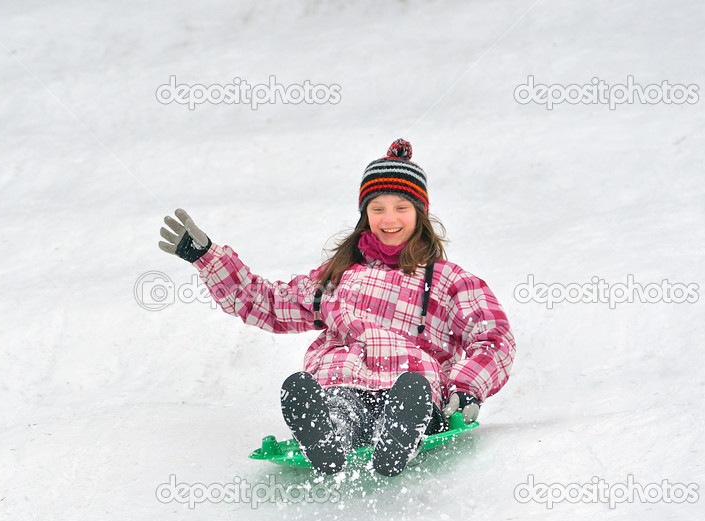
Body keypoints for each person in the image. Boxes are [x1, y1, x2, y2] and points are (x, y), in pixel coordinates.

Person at [158, 139, 515, 477]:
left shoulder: (448, 279)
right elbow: (265, 301)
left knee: (408, 395)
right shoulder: (338, 278)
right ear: (365, 215)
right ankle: (328, 433)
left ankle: (400, 432)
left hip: (410, 385)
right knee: (340, 406)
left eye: (401, 208)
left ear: (420, 214)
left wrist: (467, 385)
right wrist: (206, 257)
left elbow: (493, 337)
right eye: (378, 208)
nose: (389, 219)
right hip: (341, 380)